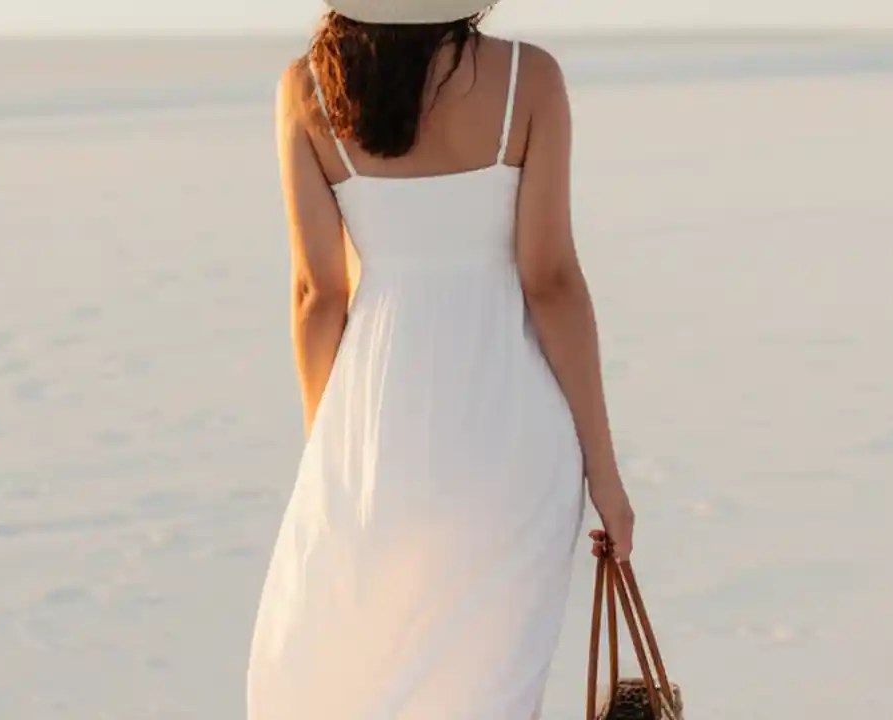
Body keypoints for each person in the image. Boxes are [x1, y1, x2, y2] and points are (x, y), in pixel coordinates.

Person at [247, 1, 635, 716]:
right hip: (514, 423)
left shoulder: (307, 89)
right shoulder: (528, 77)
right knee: (491, 685)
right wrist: (604, 476)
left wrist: (328, 448)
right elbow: (549, 280)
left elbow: (317, 294)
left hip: (378, 418)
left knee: (361, 670)